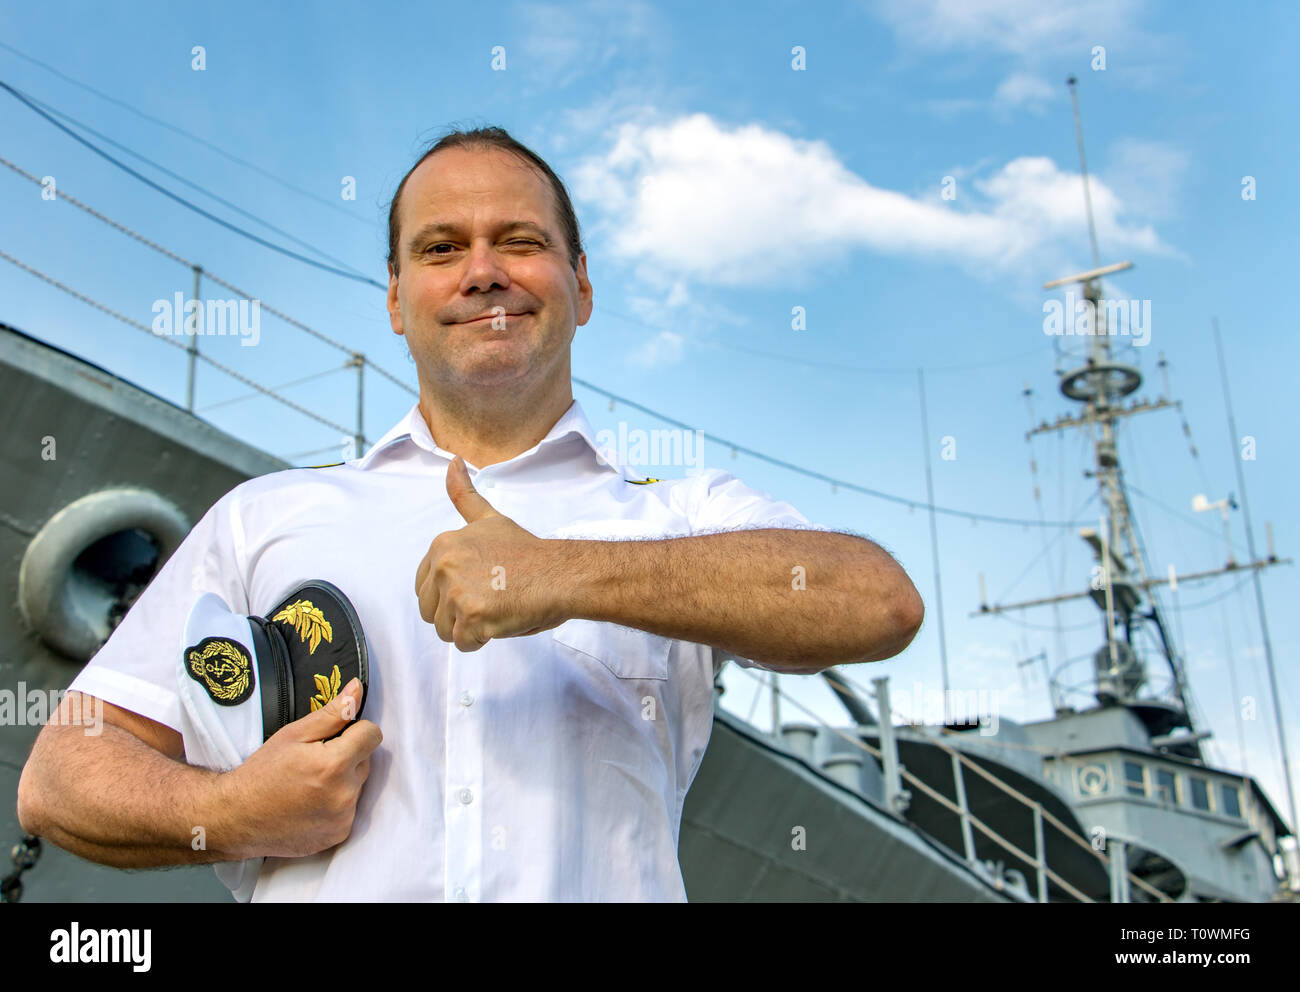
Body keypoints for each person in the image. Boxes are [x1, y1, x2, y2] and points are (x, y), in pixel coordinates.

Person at [17, 126, 924, 901]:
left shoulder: (681, 513)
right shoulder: (265, 516)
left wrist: (566, 572)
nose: (483, 273)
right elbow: (61, 777)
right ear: (396, 300)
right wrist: (230, 812)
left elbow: (877, 601)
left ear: (582, 285)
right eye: (441, 248)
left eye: (519, 242)